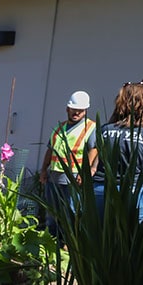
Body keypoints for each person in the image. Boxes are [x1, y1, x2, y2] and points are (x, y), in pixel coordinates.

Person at [38, 91, 97, 237]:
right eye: (74, 109)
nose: (76, 113)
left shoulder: (91, 128)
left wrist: (85, 172)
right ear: (67, 109)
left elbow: (93, 150)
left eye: (80, 110)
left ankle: (68, 243)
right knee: (52, 212)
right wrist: (44, 170)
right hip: (54, 176)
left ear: (85, 110)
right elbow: (50, 150)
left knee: (72, 212)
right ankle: (51, 240)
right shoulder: (60, 127)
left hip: (74, 177)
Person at [93, 82, 143, 220]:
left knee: (100, 235)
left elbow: (95, 164)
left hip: (101, 189)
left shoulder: (106, 130)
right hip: (133, 192)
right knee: (132, 237)